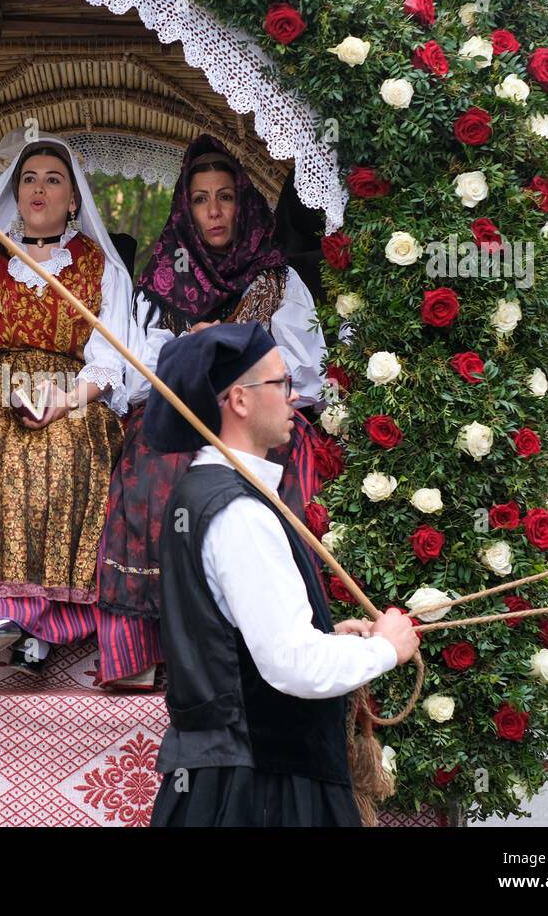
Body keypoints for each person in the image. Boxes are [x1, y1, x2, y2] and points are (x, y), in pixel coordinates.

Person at [143, 323, 417, 826]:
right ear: (240, 400)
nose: (294, 399)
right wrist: (386, 649)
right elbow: (290, 664)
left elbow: (233, 646)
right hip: (259, 788)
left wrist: (334, 639)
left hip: (231, 777)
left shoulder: (207, 493)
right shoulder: (237, 512)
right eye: (282, 384)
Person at [96, 137, 326, 690]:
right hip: (180, 415)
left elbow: (306, 371)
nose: (215, 211)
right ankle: (149, 650)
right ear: (186, 208)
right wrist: (188, 357)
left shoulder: (277, 280)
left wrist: (233, 352)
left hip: (261, 419)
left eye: (225, 197)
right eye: (201, 199)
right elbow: (137, 374)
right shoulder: (159, 280)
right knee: (151, 465)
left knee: (273, 473)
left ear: (244, 204)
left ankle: (260, 643)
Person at [0, 134, 134, 673]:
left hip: (73, 387)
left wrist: (63, 403)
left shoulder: (101, 269)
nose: (39, 189)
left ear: (73, 200)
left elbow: (109, 362)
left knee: (61, 455)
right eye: (29, 179)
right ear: (16, 195)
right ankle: (6, 613)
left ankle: (41, 623)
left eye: (53, 179)